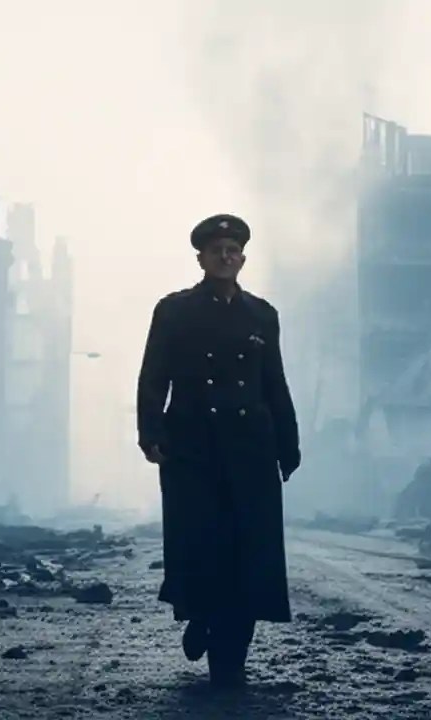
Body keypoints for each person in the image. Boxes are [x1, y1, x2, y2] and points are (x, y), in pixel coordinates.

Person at [136, 213, 301, 688]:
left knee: (249, 552)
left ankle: (232, 660)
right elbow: (154, 376)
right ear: (202, 259)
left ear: (242, 258)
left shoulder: (262, 315)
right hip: (193, 448)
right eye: (217, 251)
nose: (225, 257)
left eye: (233, 250)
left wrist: (287, 446)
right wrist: (151, 433)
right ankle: (202, 616)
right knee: (200, 545)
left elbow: (274, 384)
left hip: (251, 449)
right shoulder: (175, 311)